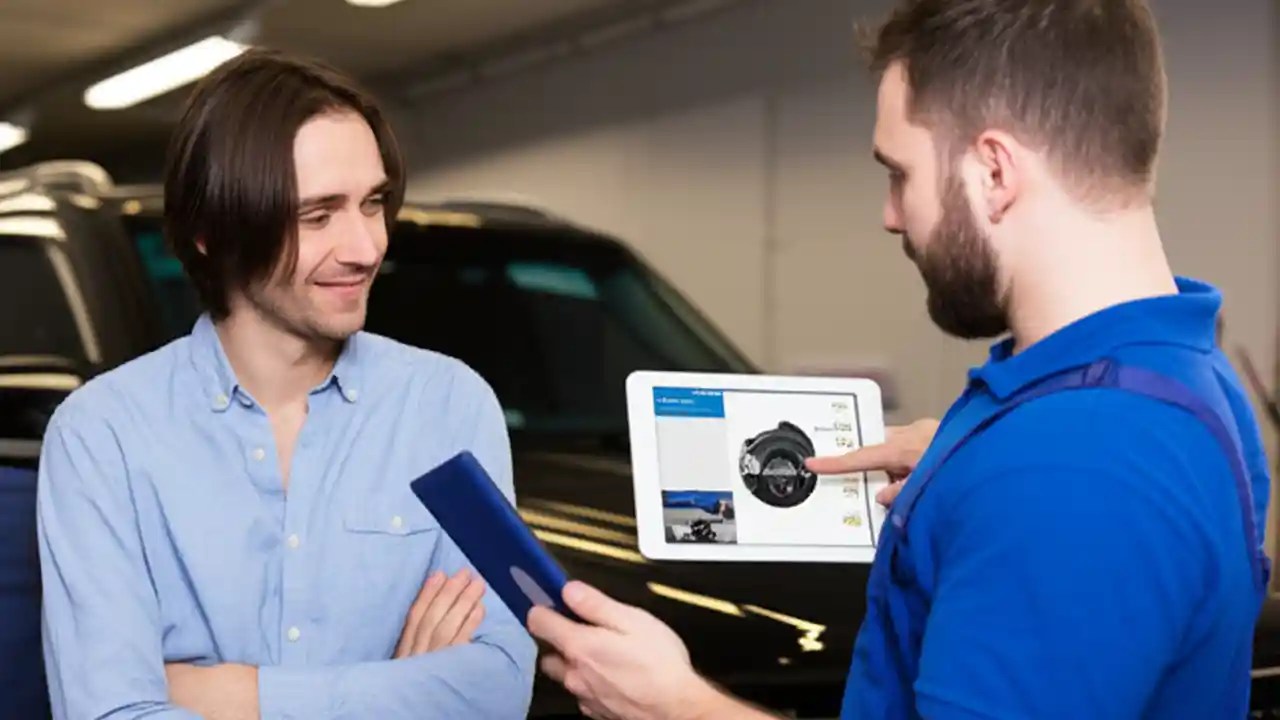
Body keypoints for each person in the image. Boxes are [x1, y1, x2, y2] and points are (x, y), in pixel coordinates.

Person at [528, 0, 1273, 718]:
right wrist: (966, 460)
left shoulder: (1066, 464)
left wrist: (675, 708)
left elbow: (1073, 491)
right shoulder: (1180, 373)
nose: (891, 214)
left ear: (993, 172)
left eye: (900, 172)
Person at [35, 49, 536, 719]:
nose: (364, 247)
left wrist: (234, 694)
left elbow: (496, 690)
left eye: (373, 203)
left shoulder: (447, 407)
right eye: (318, 215)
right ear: (213, 231)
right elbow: (109, 712)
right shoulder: (103, 435)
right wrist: (398, 693)